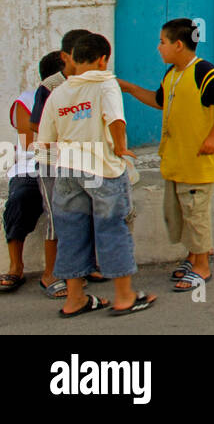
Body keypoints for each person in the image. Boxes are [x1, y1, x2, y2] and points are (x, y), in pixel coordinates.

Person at [35, 33, 155, 316]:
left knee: (72, 233)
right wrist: (121, 149)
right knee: (113, 229)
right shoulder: (106, 84)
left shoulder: (59, 93)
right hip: (103, 169)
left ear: (73, 59)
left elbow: (46, 141)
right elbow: (115, 120)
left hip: (68, 171)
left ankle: (74, 298)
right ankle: (124, 296)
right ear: (103, 60)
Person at [117, 18, 214, 292]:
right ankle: (193, 257)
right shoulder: (172, 74)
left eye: (162, 42)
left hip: (198, 161)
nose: (159, 47)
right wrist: (131, 89)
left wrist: (213, 136)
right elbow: (160, 101)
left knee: (196, 215)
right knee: (180, 215)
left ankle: (202, 267)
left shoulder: (204, 71)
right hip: (177, 160)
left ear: (178, 45)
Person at [1, 52, 65, 297]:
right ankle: (16, 266)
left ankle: (83, 264)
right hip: (31, 165)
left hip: (67, 163)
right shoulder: (26, 100)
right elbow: (29, 143)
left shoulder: (76, 95)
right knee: (21, 198)